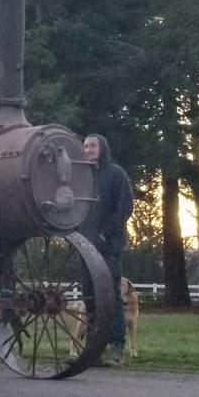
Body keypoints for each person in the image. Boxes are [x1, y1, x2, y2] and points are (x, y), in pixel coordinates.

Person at [77, 133, 134, 365]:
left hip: (109, 245)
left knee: (110, 296)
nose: (89, 149)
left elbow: (124, 207)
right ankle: (93, 350)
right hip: (84, 245)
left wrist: (105, 233)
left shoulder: (115, 174)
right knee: (89, 296)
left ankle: (116, 347)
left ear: (102, 148)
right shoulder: (80, 176)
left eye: (93, 145)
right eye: (86, 146)